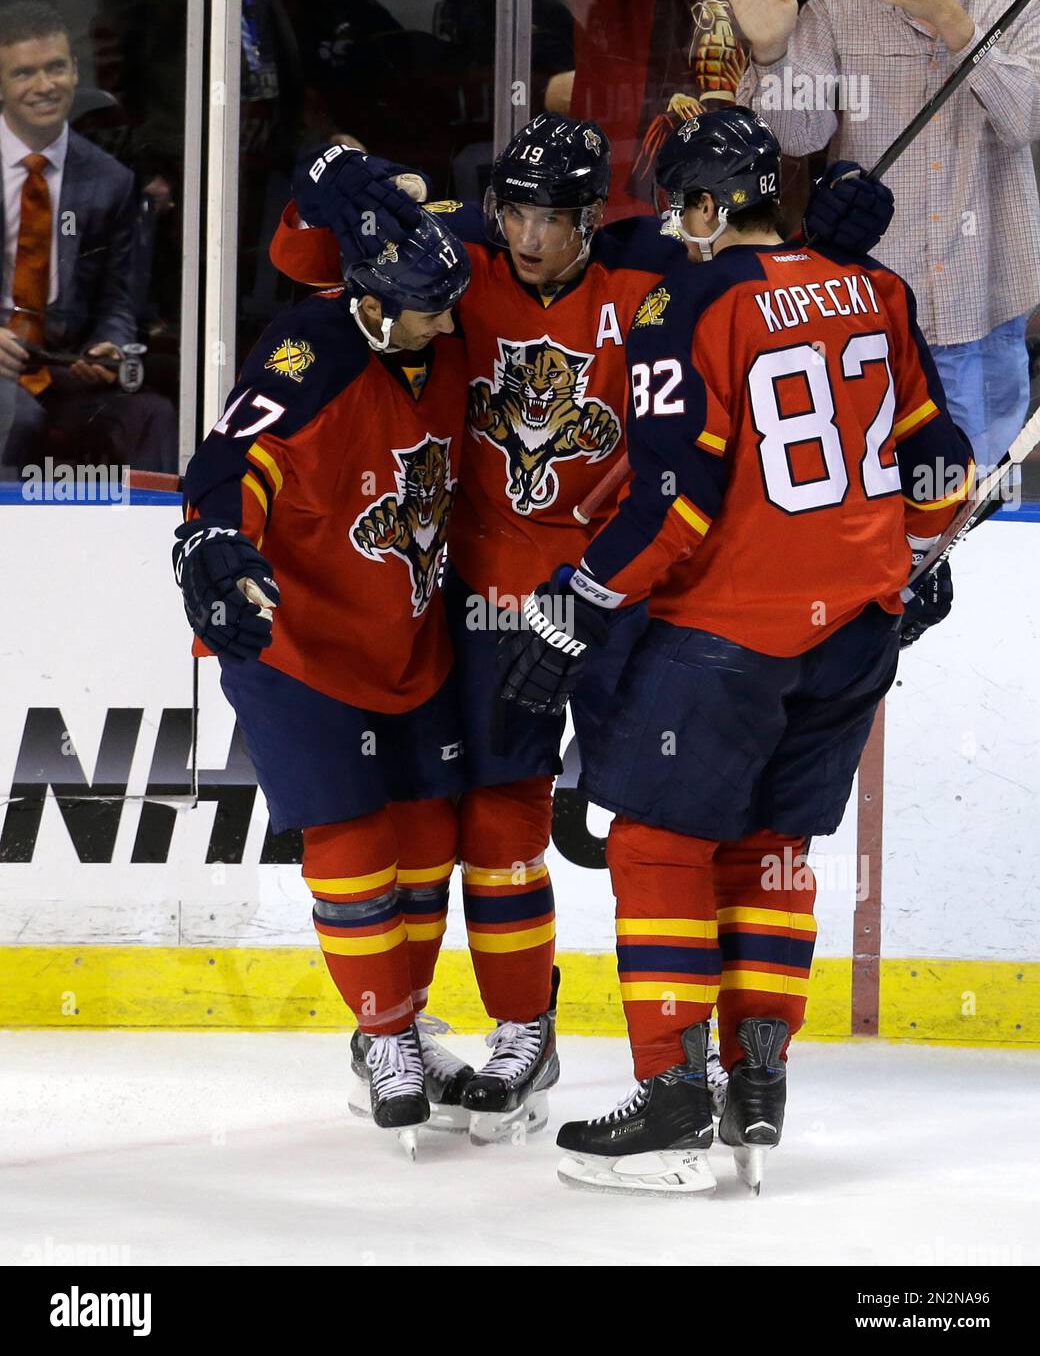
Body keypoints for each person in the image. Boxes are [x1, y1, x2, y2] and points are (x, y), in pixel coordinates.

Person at [267, 117, 894, 1144]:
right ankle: (416, 1027)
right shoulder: (459, 248)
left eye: (550, 216)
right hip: (473, 588)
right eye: (512, 208)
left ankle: (577, 1037)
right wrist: (332, 185)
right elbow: (304, 257)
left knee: (650, 831)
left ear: (593, 215)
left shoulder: (653, 261)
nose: (526, 233)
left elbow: (757, 269)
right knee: (458, 822)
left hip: (616, 590)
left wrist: (826, 242)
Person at [499, 108, 975, 1196]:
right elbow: (931, 463)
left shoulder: (688, 305)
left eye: (680, 208)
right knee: (770, 849)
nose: (673, 228)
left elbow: (674, 510)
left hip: (730, 633)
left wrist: (574, 600)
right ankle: (756, 1078)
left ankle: (671, 1092)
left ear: (712, 205)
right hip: (855, 631)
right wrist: (911, 561)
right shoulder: (878, 289)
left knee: (656, 848)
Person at [173, 211, 473, 1159]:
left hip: (406, 632)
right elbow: (236, 459)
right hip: (296, 640)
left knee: (427, 838)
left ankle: (404, 1017)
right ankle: (384, 1041)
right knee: (350, 842)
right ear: (371, 305)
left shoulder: (440, 331)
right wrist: (217, 537)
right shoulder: (314, 351)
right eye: (426, 312)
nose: (446, 324)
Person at [730, 0, 1040, 472]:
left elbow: (1027, 117)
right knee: (873, 475)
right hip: (870, 303)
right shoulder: (835, 8)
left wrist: (952, 22)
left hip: (984, 293)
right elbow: (797, 135)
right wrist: (772, 55)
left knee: (981, 486)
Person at [0, 0, 175, 475]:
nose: (44, 86)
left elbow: (120, 300)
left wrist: (110, 345)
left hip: (63, 372)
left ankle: (163, 548)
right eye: (23, 73)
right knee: (11, 413)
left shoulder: (110, 180)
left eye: (56, 67)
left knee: (152, 418)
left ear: (76, 71)